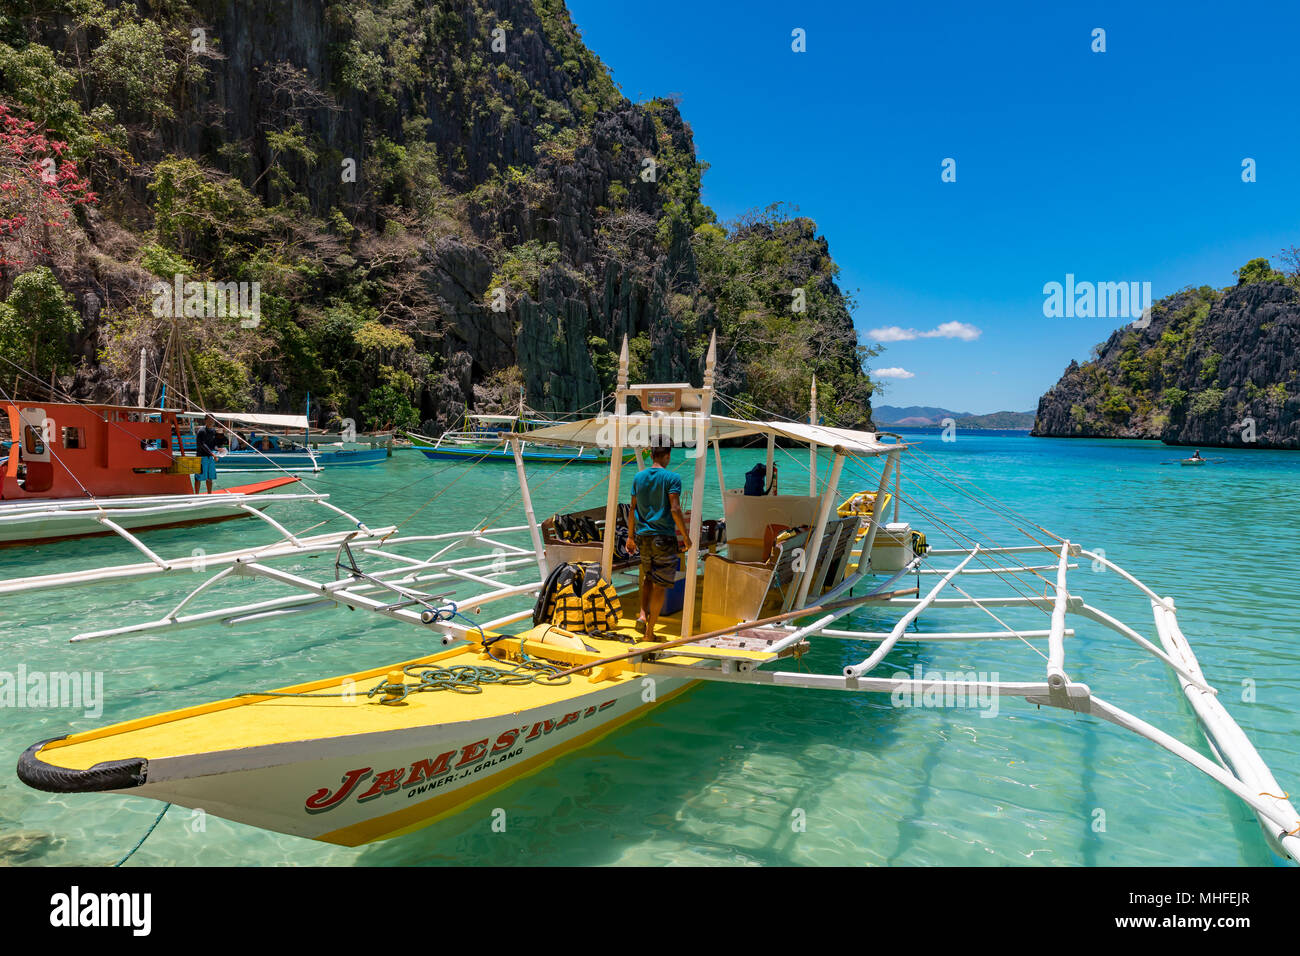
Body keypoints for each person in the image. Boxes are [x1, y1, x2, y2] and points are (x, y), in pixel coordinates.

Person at [626, 445, 690, 643]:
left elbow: (632, 509)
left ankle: (643, 615)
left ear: (652, 455)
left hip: (642, 536)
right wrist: (686, 537)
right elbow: (675, 509)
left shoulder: (638, 477)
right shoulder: (672, 478)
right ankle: (649, 633)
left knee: (647, 578)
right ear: (667, 456)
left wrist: (630, 537)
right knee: (660, 586)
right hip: (663, 537)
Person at [194, 416, 225, 493]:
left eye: (213, 420)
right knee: (199, 477)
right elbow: (202, 444)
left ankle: (209, 494)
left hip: (210, 457)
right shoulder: (201, 431)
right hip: (201, 457)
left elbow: (213, 444)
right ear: (205, 420)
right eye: (209, 419)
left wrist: (218, 449)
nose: (211, 421)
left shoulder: (213, 431)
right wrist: (213, 454)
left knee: (209, 477)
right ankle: (196, 495)